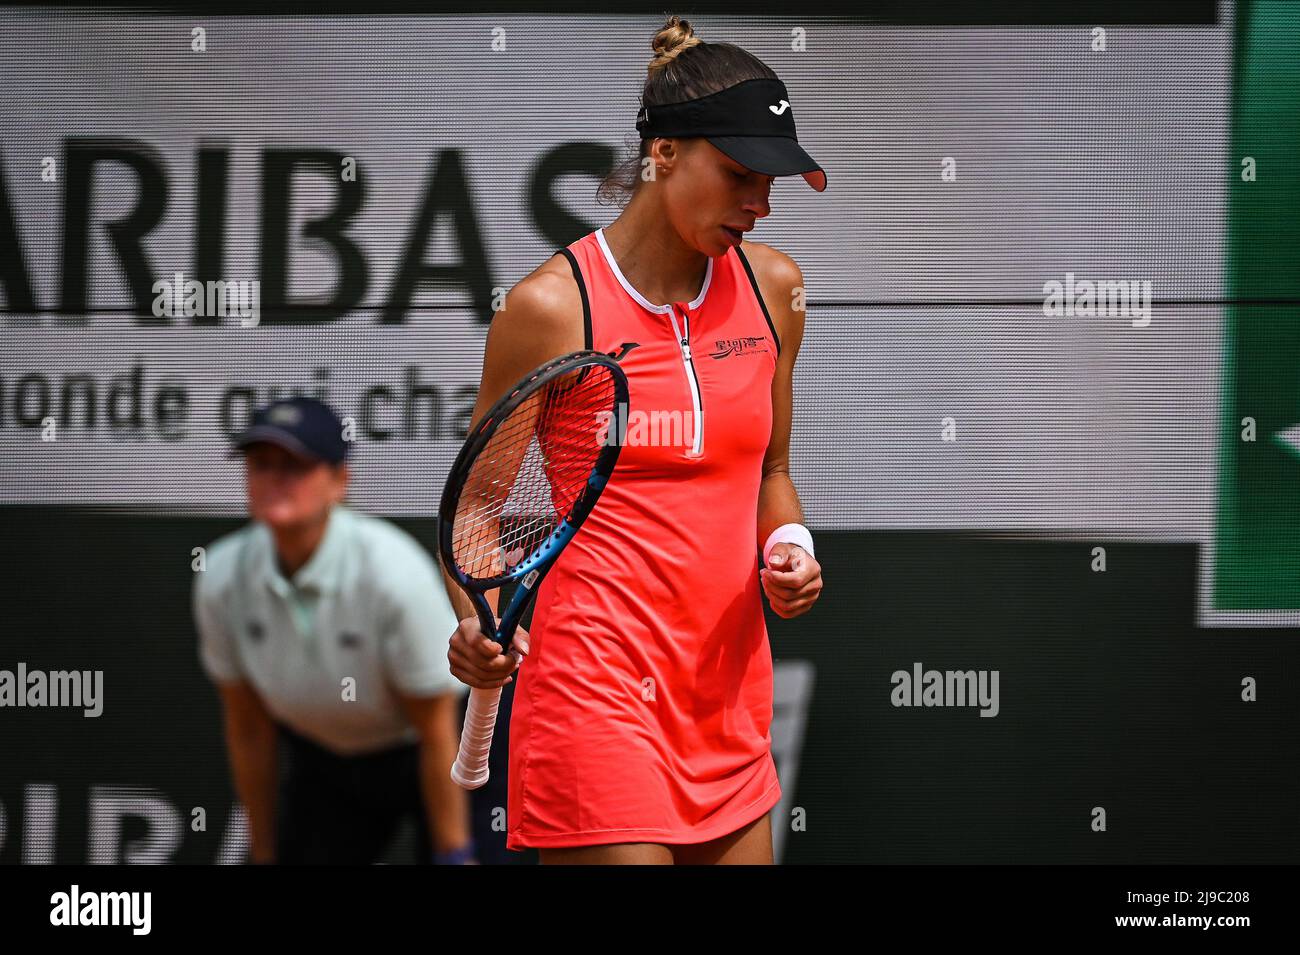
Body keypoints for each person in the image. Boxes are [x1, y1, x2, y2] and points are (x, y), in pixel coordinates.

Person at [445, 15, 825, 864]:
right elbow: (478, 505)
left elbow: (772, 471)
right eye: (739, 175)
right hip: (593, 693)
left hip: (725, 697)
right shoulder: (548, 308)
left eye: (774, 184)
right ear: (664, 156)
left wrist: (791, 544)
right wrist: (475, 622)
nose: (759, 204)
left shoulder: (777, 289)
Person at [194, 396, 475, 864]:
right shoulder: (221, 577)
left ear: (339, 481)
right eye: (261, 464)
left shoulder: (392, 572)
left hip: (436, 753)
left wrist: (453, 853)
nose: (275, 479)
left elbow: (436, 729)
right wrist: (263, 853)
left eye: (295, 465)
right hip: (324, 760)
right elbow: (247, 728)